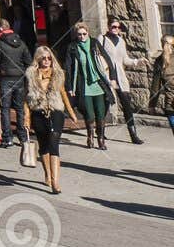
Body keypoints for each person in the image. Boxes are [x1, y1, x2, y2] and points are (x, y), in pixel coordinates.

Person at [24, 44, 80, 194]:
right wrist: (27, 119)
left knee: (54, 142)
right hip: (38, 111)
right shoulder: (31, 74)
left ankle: (55, 181)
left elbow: (63, 93)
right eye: (44, 58)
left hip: (56, 111)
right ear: (38, 59)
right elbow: (26, 99)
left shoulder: (58, 73)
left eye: (49, 58)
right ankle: (48, 175)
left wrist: (71, 112)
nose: (47, 61)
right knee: (43, 145)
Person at [66, 20, 112, 150]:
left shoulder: (94, 43)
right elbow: (68, 67)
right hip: (84, 85)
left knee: (101, 114)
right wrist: (70, 86)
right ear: (76, 35)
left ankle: (101, 139)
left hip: (99, 84)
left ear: (88, 33)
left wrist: (112, 78)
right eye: (79, 34)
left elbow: (107, 59)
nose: (82, 37)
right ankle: (90, 136)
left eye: (84, 34)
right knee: (89, 114)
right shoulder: (73, 47)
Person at [98, 17, 144, 145]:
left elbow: (125, 60)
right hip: (107, 76)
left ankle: (133, 134)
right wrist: (106, 78)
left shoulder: (121, 41)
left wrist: (137, 61)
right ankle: (100, 133)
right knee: (105, 104)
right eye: (113, 26)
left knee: (127, 105)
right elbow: (99, 59)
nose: (116, 29)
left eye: (118, 27)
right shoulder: (102, 39)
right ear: (108, 27)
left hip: (120, 77)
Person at [0, 16, 32, 149]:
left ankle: (7, 138)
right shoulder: (21, 42)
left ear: (1, 28)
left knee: (5, 108)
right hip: (19, 77)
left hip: (6, 78)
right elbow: (29, 61)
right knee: (20, 108)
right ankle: (23, 137)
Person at [150, 36, 174, 137]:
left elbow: (155, 86)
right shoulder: (160, 61)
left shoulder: (159, 61)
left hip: (170, 104)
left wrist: (152, 105)